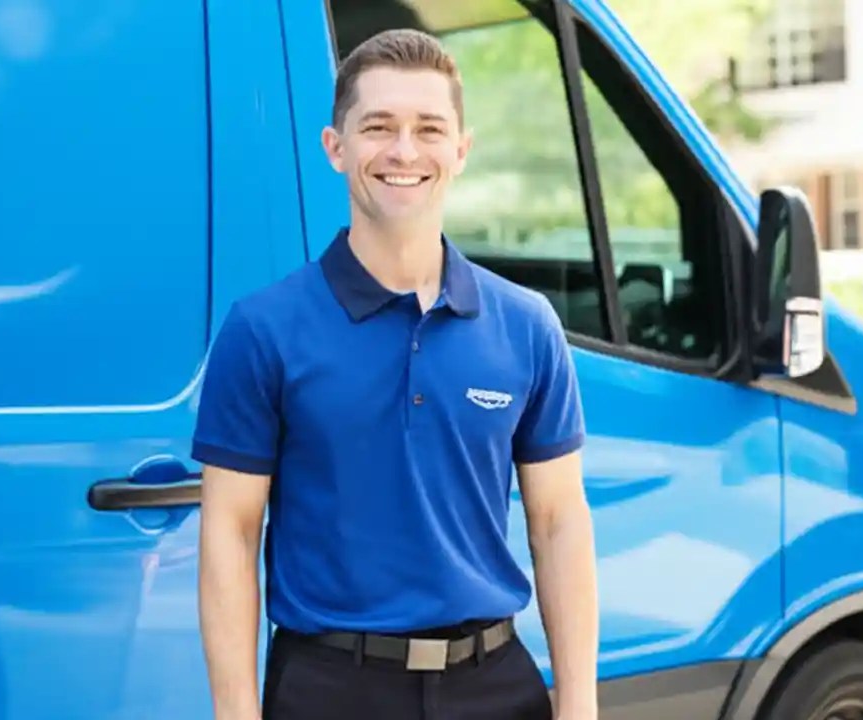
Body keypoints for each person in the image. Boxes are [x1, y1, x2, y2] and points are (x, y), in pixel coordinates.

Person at [192, 27, 599, 720]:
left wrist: (580, 704)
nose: (404, 151)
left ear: (461, 151)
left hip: (497, 687)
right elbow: (230, 531)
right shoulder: (263, 329)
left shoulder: (526, 326)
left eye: (429, 129)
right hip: (329, 688)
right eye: (378, 127)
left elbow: (558, 521)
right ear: (336, 147)